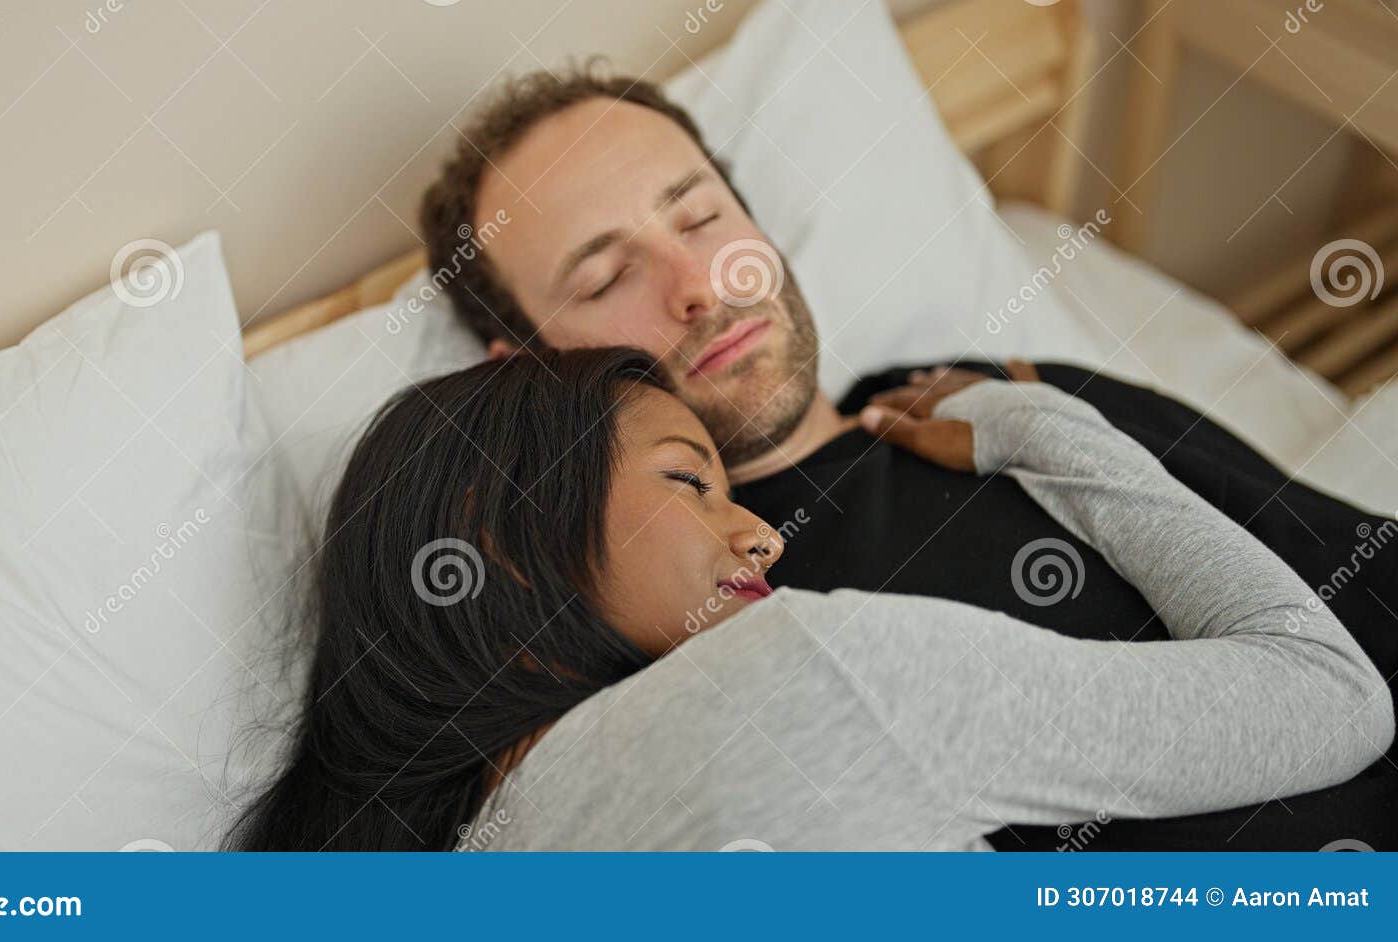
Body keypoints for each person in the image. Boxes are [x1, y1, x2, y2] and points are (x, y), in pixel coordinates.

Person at [414, 63, 1398, 849]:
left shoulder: (1003, 393)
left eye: (701, 216)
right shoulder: (642, 633)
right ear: (531, 372)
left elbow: (1358, 586)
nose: (697, 290)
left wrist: (1035, 423)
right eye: (607, 275)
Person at [226, 349, 1391, 851]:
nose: (759, 530)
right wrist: (1046, 426)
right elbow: (1330, 693)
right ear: (497, 533)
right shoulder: (813, 675)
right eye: (688, 480)